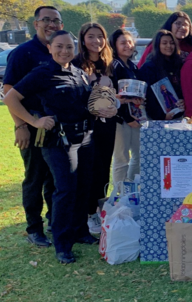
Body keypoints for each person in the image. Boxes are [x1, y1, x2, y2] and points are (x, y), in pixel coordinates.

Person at [5, 30, 117, 263]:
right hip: (58, 141)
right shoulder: (41, 73)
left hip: (85, 137)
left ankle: (80, 232)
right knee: (65, 190)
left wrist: (103, 108)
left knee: (83, 186)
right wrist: (34, 121)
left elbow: (87, 106)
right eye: (59, 46)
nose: (64, 51)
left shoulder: (78, 73)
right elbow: (10, 98)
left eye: (69, 47)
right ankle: (62, 244)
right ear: (50, 48)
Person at [4, 6, 60, 247]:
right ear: (35, 23)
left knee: (54, 179)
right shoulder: (23, 53)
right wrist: (21, 125)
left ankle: (53, 222)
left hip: (56, 126)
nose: (51, 24)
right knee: (35, 178)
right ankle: (34, 228)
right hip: (32, 125)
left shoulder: (60, 49)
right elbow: (8, 92)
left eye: (56, 21)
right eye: (46, 20)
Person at [73, 23, 116, 234]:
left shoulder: (109, 64)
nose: (96, 41)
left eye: (100, 36)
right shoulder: (75, 64)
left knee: (103, 169)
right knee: (88, 169)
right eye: (91, 36)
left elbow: (116, 95)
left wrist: (117, 103)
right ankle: (88, 213)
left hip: (107, 127)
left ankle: (100, 209)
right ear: (82, 39)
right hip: (86, 128)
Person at [109, 29, 142, 183]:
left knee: (139, 155)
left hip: (136, 117)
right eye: (123, 43)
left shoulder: (133, 66)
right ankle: (119, 195)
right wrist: (127, 118)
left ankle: (132, 189)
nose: (128, 46)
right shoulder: (114, 66)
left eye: (130, 42)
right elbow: (115, 95)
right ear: (114, 46)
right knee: (122, 158)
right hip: (121, 120)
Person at [139, 30, 185, 121]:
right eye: (164, 43)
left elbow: (182, 88)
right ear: (157, 45)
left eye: (172, 43)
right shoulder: (149, 67)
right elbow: (147, 96)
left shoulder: (179, 64)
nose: (169, 46)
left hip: (178, 116)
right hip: (156, 118)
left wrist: (183, 101)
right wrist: (161, 115)